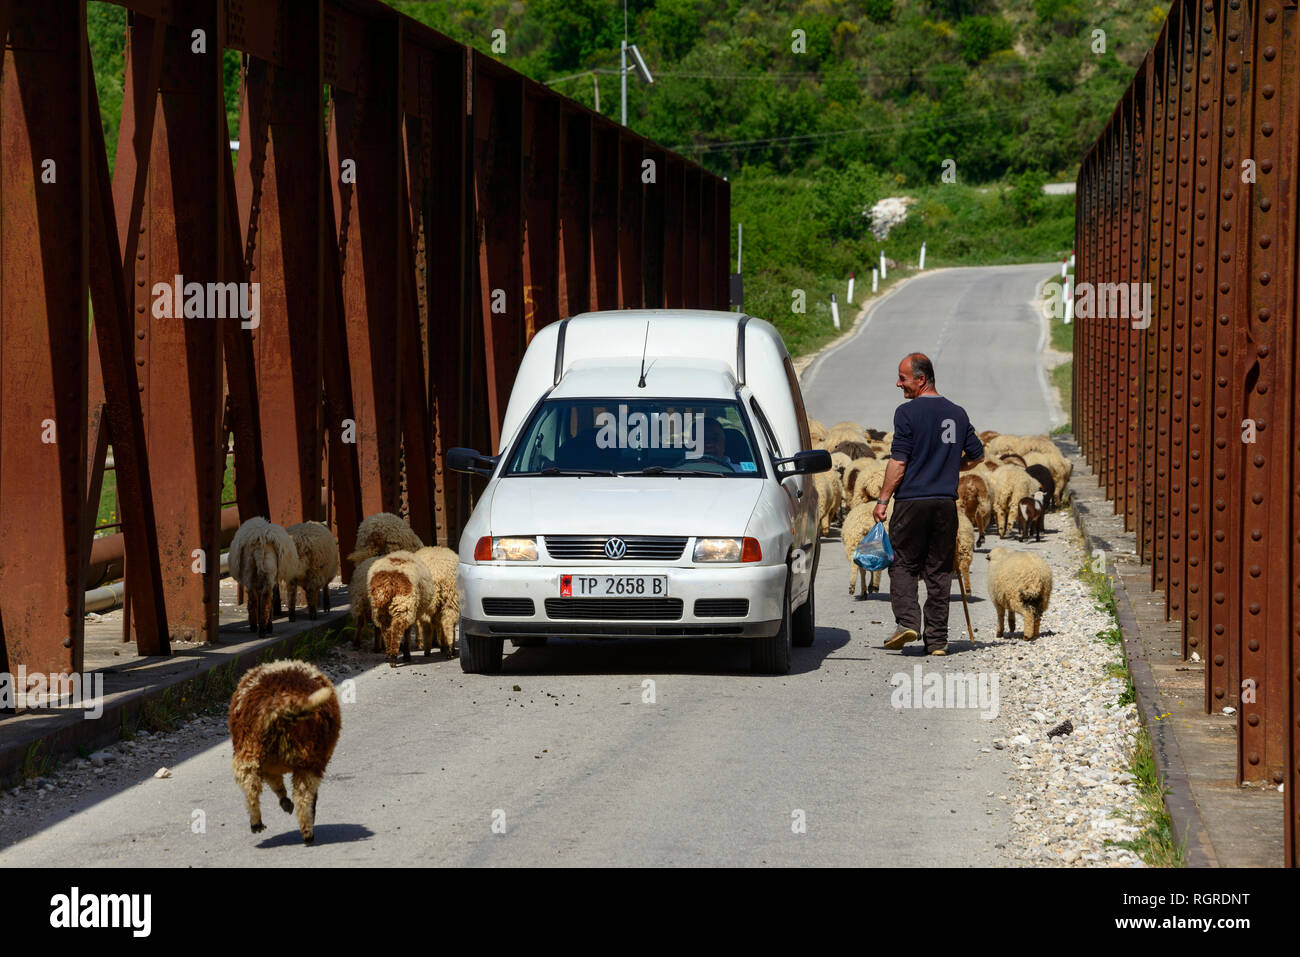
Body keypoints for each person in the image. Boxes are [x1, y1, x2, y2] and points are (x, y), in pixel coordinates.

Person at [874, 353, 983, 655]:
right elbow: (976, 456)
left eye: (903, 378)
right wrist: (949, 468)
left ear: (921, 379)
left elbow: (898, 461)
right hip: (945, 504)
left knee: (903, 563)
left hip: (911, 502)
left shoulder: (906, 413)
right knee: (938, 569)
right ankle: (936, 640)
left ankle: (908, 622)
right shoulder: (958, 413)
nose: (898, 383)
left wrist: (883, 500)